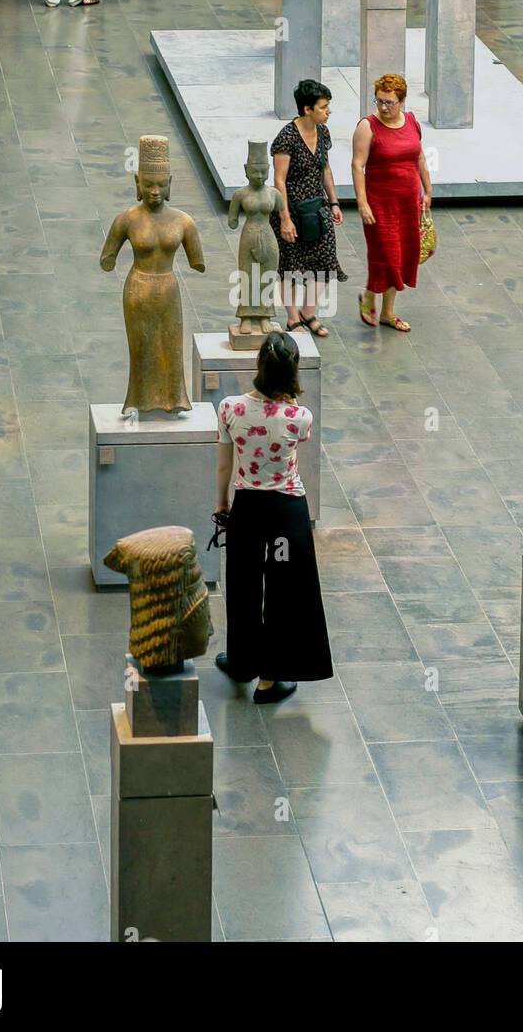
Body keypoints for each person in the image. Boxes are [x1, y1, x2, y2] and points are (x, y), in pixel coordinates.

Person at [214, 331, 333, 704]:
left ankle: (242, 661)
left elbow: (223, 466)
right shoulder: (300, 417)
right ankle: (269, 679)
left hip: (247, 509)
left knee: (244, 585)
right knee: (283, 591)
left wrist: (222, 505)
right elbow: (295, 439)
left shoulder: (230, 408)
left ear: (259, 366)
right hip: (287, 515)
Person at [351, 72, 432, 332]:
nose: (384, 108)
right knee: (385, 254)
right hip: (380, 202)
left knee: (400, 255)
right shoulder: (368, 126)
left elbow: (419, 158)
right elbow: (357, 165)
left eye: (389, 102)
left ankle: (387, 311)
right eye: (379, 101)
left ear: (402, 101)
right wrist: (362, 203)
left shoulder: (411, 122)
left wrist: (427, 191)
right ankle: (369, 295)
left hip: (408, 200)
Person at [270, 78, 347, 339]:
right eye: (324, 107)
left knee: (324, 261)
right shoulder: (287, 138)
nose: (328, 111)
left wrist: (334, 201)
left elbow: (325, 168)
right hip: (291, 209)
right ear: (307, 109)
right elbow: (278, 180)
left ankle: (308, 311)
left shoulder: (323, 132)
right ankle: (292, 318)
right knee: (291, 265)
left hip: (317, 208)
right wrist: (285, 219)